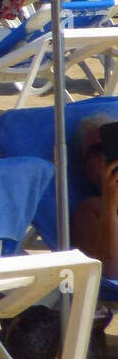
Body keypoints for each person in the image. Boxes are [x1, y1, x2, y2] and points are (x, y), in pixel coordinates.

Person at [70, 116, 118, 278]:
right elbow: (109, 273)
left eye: (112, 146)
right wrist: (110, 206)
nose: (107, 155)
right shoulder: (90, 210)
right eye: (98, 149)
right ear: (86, 168)